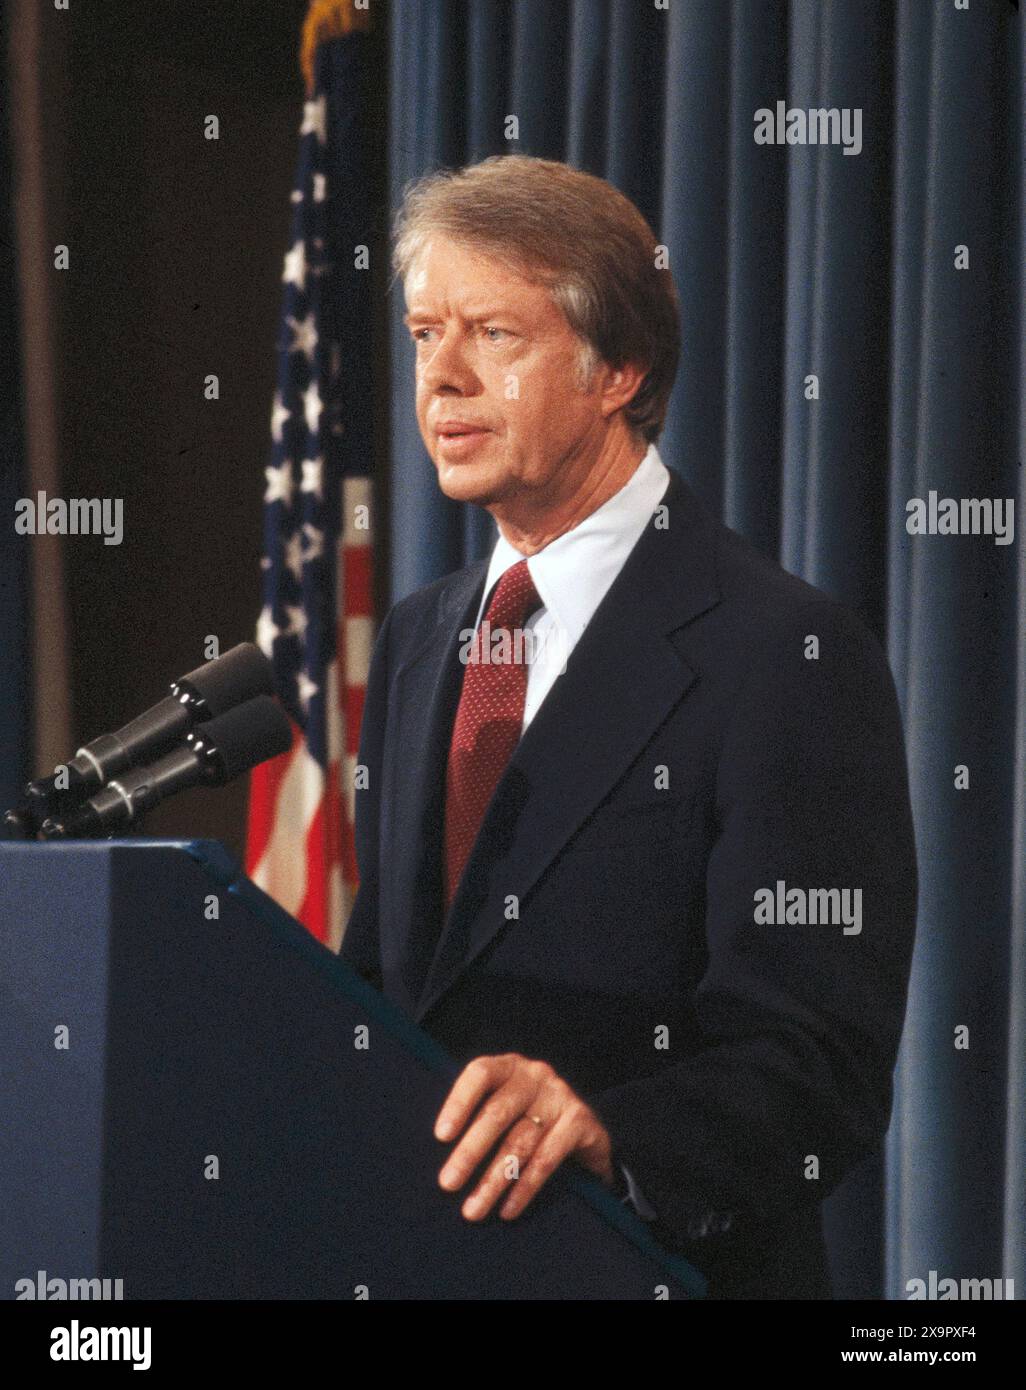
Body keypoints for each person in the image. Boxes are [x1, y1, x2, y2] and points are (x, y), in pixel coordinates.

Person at [340, 154, 917, 1299]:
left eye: (493, 335)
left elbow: (820, 1066)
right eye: (422, 333)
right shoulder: (418, 639)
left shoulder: (781, 655)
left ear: (622, 369)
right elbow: (388, 988)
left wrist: (605, 1129)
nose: (441, 378)